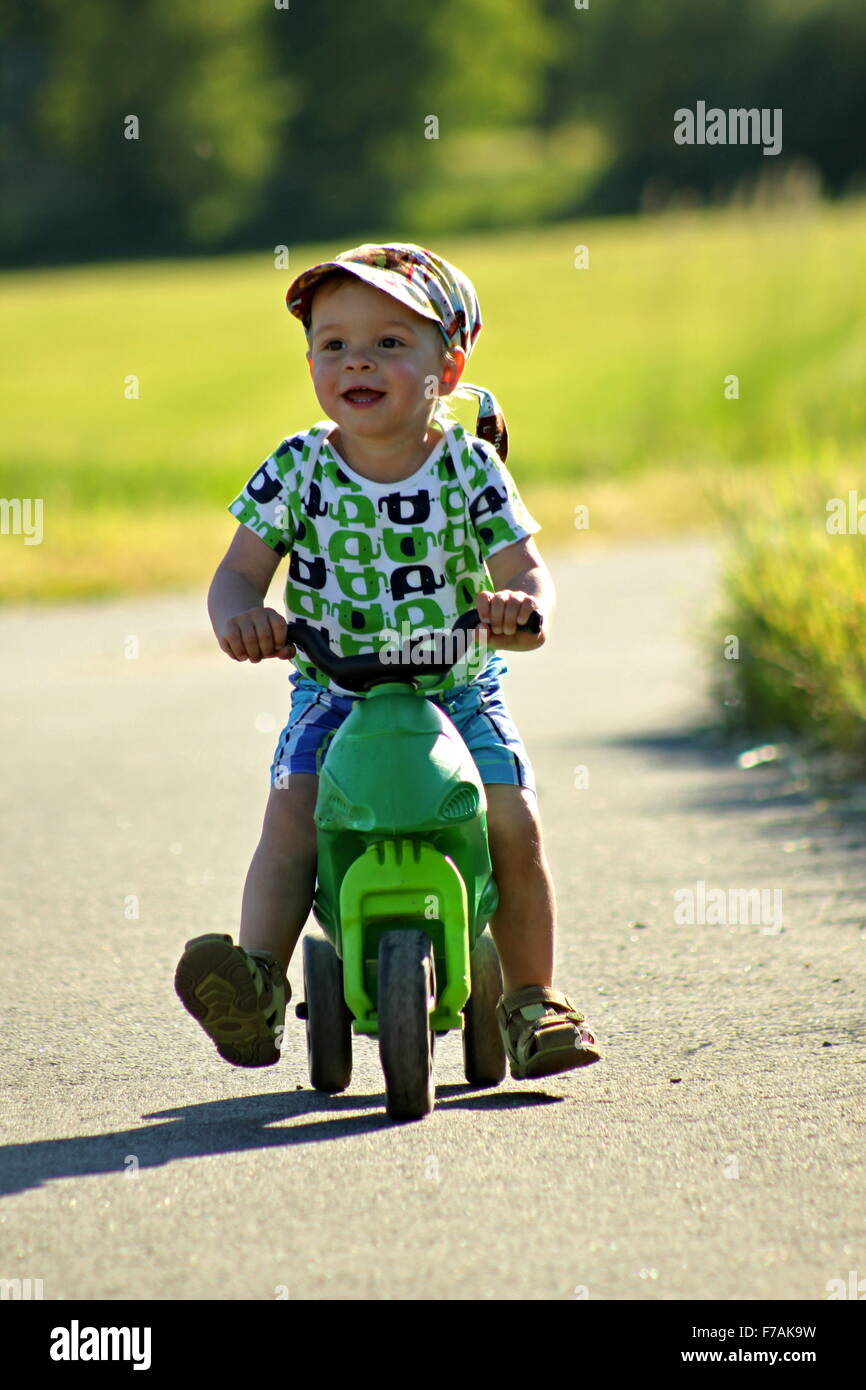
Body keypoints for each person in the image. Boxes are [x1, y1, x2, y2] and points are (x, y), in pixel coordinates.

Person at [174, 242, 601, 1080]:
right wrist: (242, 618)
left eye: (390, 344)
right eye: (333, 345)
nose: (357, 360)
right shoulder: (297, 468)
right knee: (292, 817)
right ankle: (258, 982)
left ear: (450, 363)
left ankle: (532, 1000)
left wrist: (524, 610)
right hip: (333, 693)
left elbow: (524, 569)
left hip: (457, 691)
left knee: (512, 821)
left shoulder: (469, 468)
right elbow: (237, 574)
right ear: (309, 363)